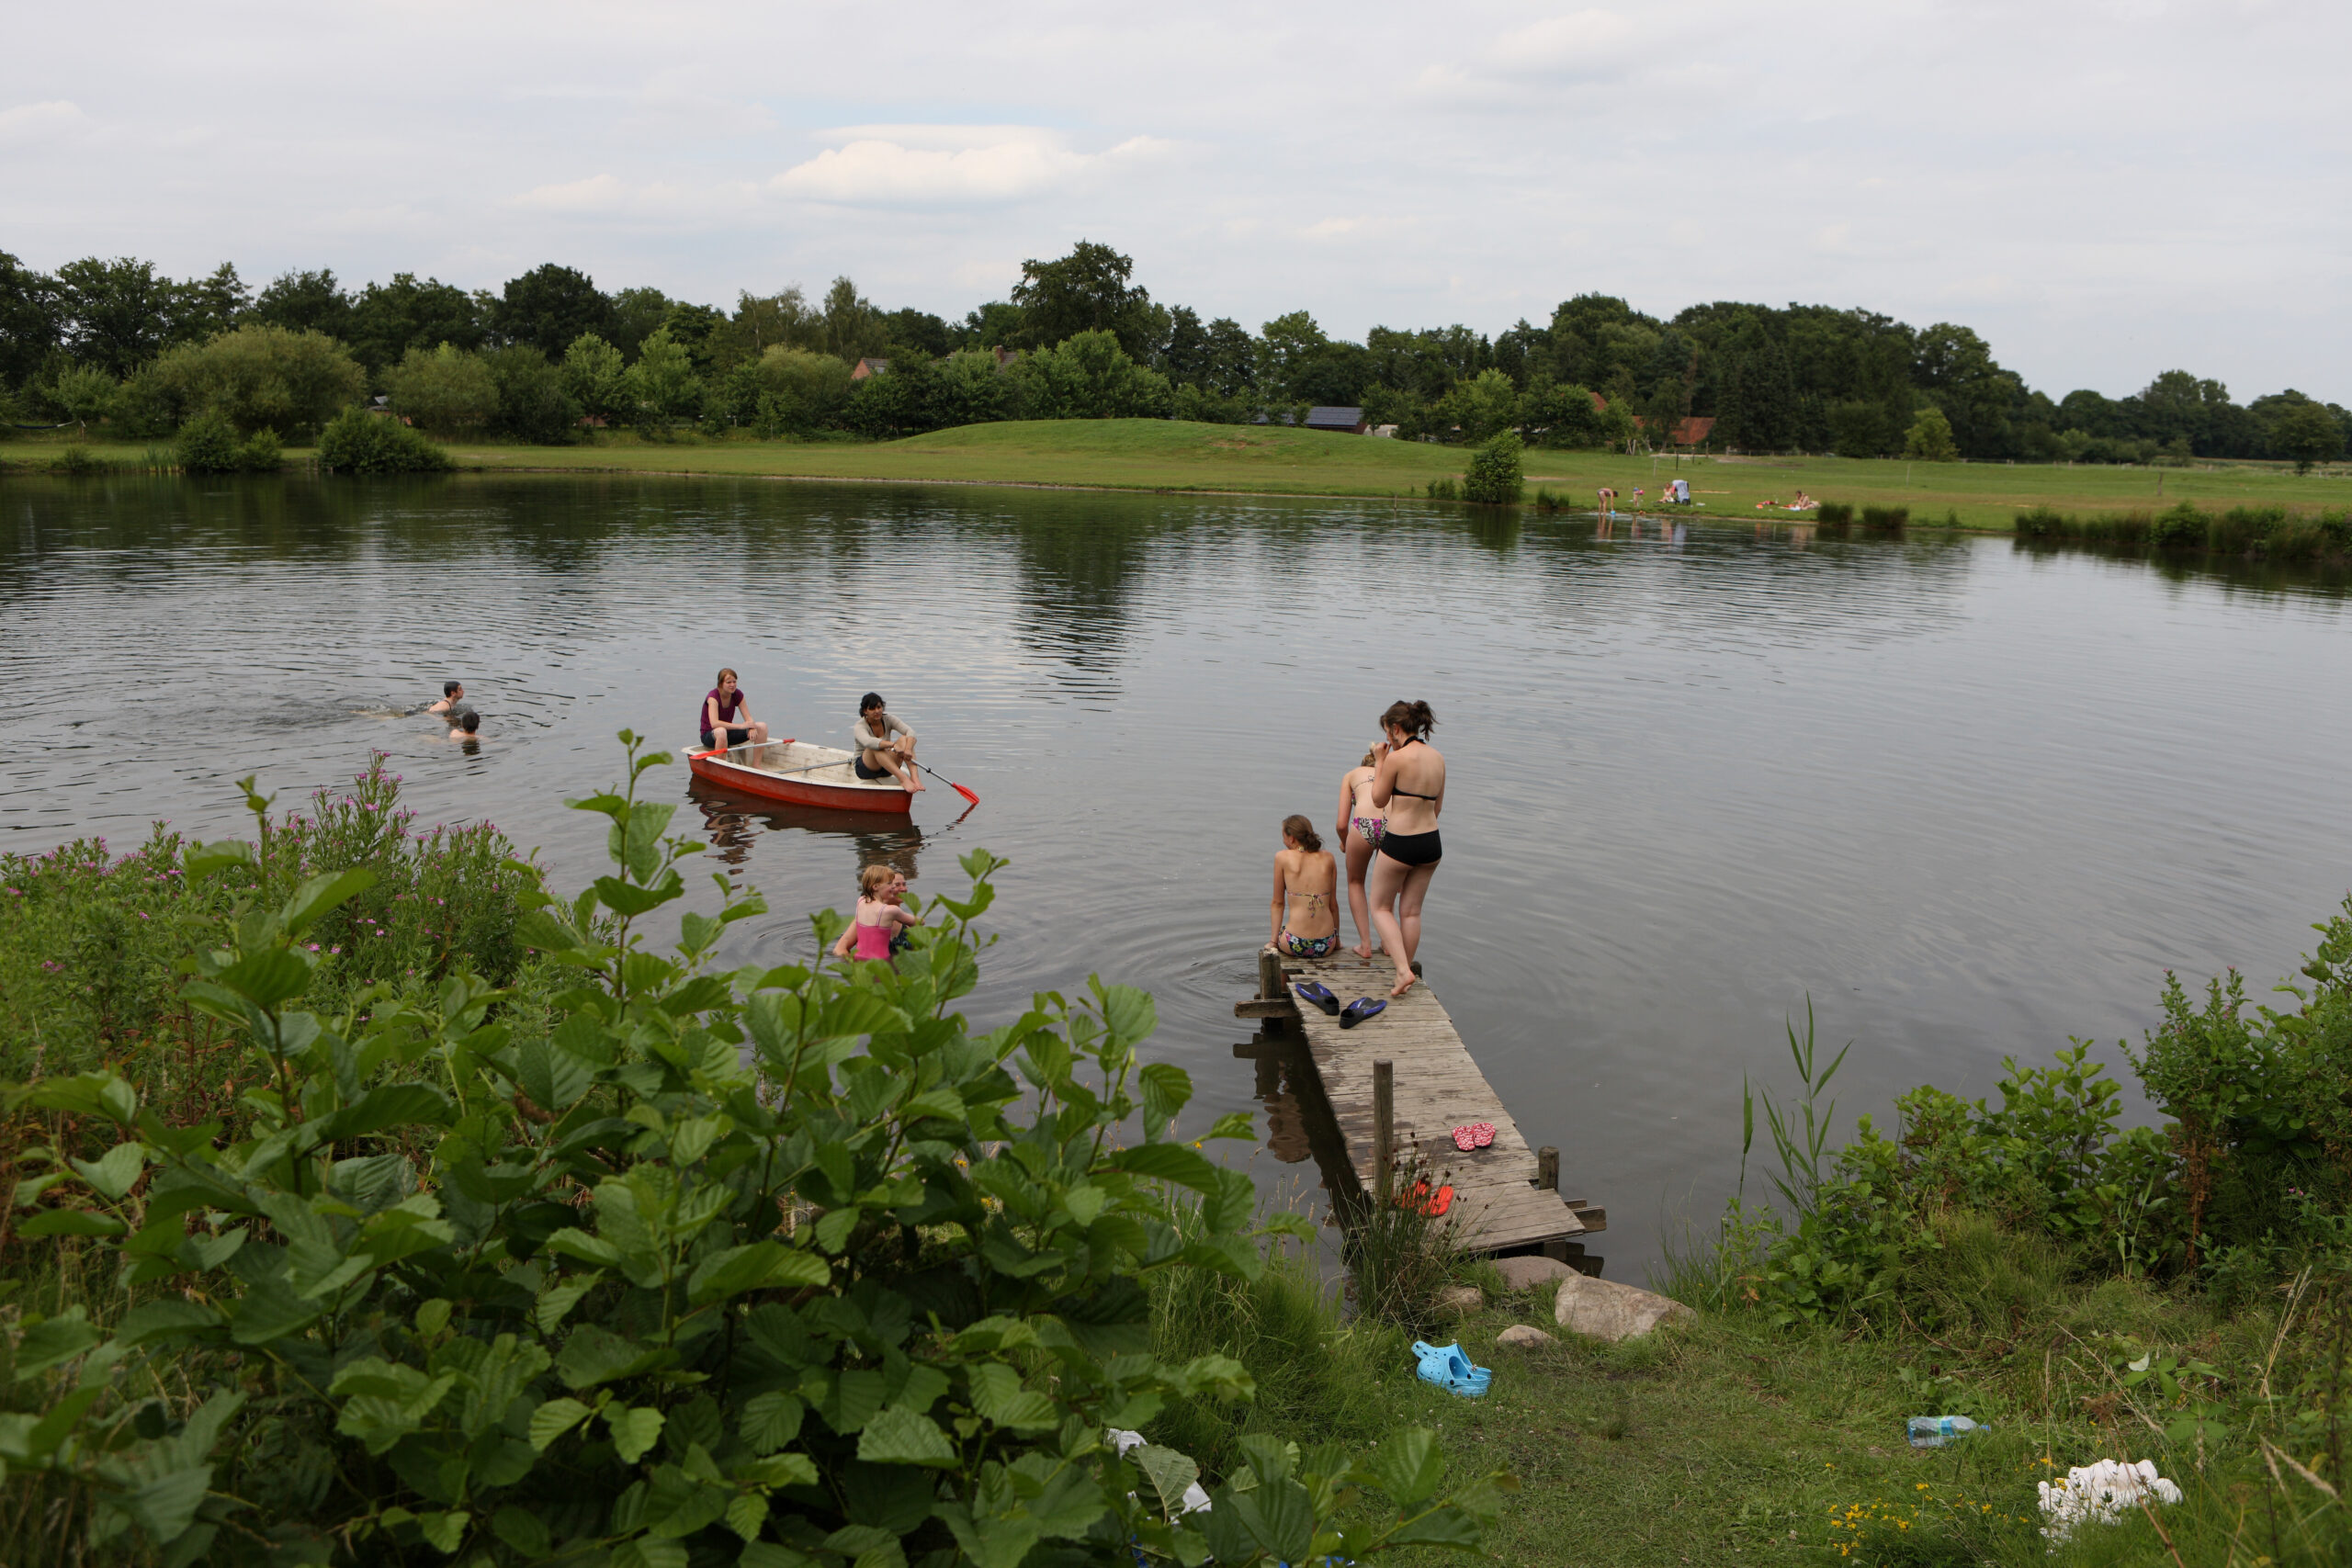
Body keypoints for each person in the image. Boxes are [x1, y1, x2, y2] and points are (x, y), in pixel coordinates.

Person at [1367, 699, 1445, 998]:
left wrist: (1380, 760)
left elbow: (1377, 799)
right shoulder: (1438, 758)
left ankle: (1402, 970)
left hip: (1401, 841)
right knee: (1411, 912)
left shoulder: (1397, 759)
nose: (1387, 739)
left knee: (1380, 906)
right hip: (1431, 843)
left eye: (1388, 733)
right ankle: (1406, 968)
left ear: (1396, 728)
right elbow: (1437, 807)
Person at [1333, 748, 1388, 958]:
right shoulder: (1391, 773)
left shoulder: (1351, 775)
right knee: (1386, 886)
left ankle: (1365, 945)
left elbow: (1340, 824)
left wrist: (1345, 842)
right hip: (1389, 825)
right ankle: (1387, 943)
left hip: (1363, 825)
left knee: (1356, 882)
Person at [1269, 815, 1340, 960]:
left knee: (1282, 949)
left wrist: (1273, 942)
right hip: (1326, 944)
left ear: (1292, 838)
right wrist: (1336, 941)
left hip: (1295, 942)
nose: (1283, 842)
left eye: (1284, 837)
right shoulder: (1328, 858)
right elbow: (1333, 906)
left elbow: (1278, 903)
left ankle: (1283, 983)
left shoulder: (1282, 857)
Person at [831, 863, 924, 963]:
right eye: (896, 885)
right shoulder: (866, 919)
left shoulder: (906, 925)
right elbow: (839, 950)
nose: (903, 889)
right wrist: (855, 968)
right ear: (877, 887)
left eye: (904, 884)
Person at [853, 692, 922, 792]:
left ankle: (915, 779)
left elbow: (911, 732)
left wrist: (907, 749)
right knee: (875, 747)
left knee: (906, 739)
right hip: (865, 768)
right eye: (872, 708)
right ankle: (903, 779)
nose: (877, 711)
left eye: (879, 707)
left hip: (886, 766)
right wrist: (894, 745)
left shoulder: (888, 719)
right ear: (865, 711)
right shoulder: (860, 726)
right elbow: (868, 742)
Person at [699, 668, 768, 754]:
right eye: (728, 682)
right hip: (710, 735)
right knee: (721, 731)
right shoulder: (713, 697)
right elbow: (715, 723)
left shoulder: (737, 694)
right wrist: (740, 726)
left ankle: (756, 764)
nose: (732, 685)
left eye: (734, 682)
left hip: (727, 734)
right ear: (721, 684)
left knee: (762, 727)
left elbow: (748, 718)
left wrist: (752, 727)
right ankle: (720, 765)